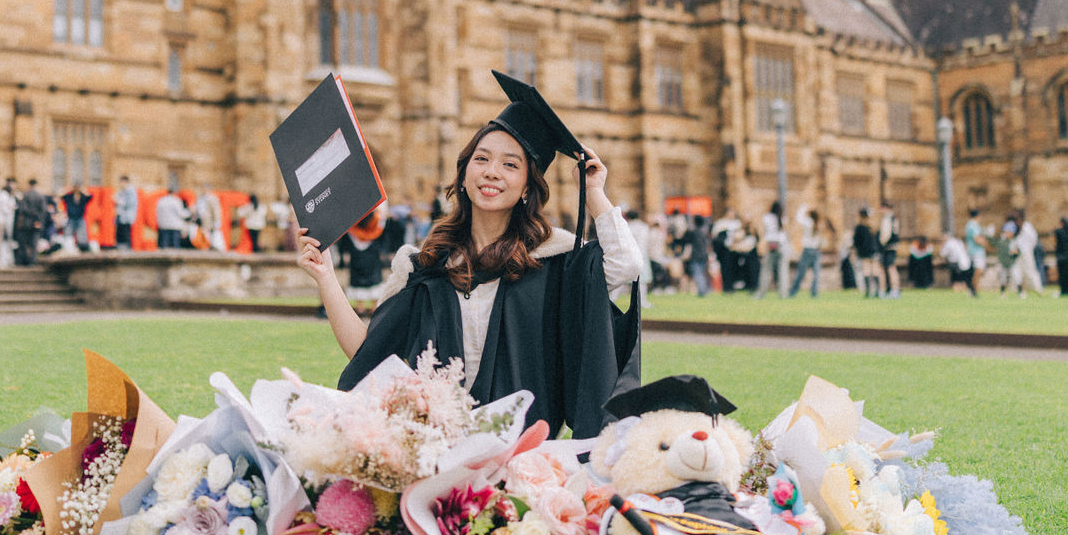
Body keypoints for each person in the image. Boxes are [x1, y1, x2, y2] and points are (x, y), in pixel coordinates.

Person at [300, 70, 642, 439]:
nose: (492, 172)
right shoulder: (422, 267)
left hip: (521, 454)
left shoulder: (552, 259)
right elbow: (368, 355)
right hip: (433, 451)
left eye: (511, 164)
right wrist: (326, 277)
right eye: (482, 159)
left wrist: (593, 192)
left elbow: (626, 265)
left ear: (528, 187)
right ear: (464, 175)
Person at [787, 207, 833, 298]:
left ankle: (793, 292)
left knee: (801, 273)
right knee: (816, 273)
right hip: (816, 251)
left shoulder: (808, 222)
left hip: (807, 250)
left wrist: (804, 208)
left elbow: (799, 217)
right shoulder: (818, 225)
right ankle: (814, 293)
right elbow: (822, 241)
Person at [755, 201, 787, 299]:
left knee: (766, 270)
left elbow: (765, 231)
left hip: (771, 245)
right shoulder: (783, 218)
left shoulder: (767, 217)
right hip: (782, 245)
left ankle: (761, 293)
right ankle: (783, 294)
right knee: (782, 271)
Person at [1008, 210, 1042, 297]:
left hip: (1026, 253)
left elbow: (1032, 240)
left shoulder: (1027, 227)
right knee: (1017, 273)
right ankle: (1021, 291)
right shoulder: (1013, 228)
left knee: (1029, 271)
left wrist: (1022, 249)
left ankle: (1038, 289)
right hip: (1016, 255)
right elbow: (1011, 240)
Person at [13, 179, 47, 266]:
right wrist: (38, 219)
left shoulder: (25, 195)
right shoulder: (40, 196)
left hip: (25, 223)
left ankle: (22, 261)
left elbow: (22, 210)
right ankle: (32, 261)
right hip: (36, 223)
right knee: (34, 244)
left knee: (23, 244)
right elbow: (43, 211)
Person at [853, 207, 880, 298]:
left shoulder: (859, 227)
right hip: (874, 250)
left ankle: (868, 291)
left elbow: (856, 241)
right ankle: (877, 290)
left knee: (867, 270)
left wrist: (856, 249)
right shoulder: (872, 227)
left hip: (864, 251)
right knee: (875, 269)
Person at [682, 214, 712, 296]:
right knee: (702, 273)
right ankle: (703, 290)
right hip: (703, 256)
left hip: (696, 256)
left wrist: (685, 255)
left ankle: (702, 291)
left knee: (697, 274)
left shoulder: (693, 232)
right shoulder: (704, 233)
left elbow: (688, 245)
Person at [877, 201, 902, 298]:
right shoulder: (892, 218)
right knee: (886, 268)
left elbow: (886, 235)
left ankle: (893, 289)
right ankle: (888, 290)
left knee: (890, 268)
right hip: (890, 247)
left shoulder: (888, 218)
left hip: (888, 247)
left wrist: (880, 245)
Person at [963, 207, 987, 295]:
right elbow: (977, 239)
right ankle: (973, 289)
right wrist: (986, 244)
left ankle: (974, 289)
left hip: (974, 251)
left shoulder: (971, 225)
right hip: (976, 252)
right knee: (978, 270)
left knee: (976, 271)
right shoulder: (972, 225)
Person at [61, 183, 92, 250]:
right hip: (71, 218)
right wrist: (68, 189)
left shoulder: (83, 197)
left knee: (82, 235)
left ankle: (82, 248)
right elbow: (60, 196)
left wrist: (83, 190)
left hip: (80, 218)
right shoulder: (69, 196)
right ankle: (68, 248)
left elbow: (90, 196)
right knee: (68, 235)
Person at [196, 186, 227, 251]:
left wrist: (217, 221)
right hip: (203, 221)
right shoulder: (201, 198)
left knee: (214, 235)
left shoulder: (212, 198)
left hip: (210, 221)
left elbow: (216, 210)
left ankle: (217, 248)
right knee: (206, 235)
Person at [114, 175, 138, 251]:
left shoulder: (130, 191)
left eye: (121, 182)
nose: (120, 184)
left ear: (125, 182)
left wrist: (118, 201)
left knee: (125, 234)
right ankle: (121, 249)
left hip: (126, 217)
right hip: (120, 216)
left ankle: (126, 251)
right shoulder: (122, 191)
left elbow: (129, 203)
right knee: (119, 235)